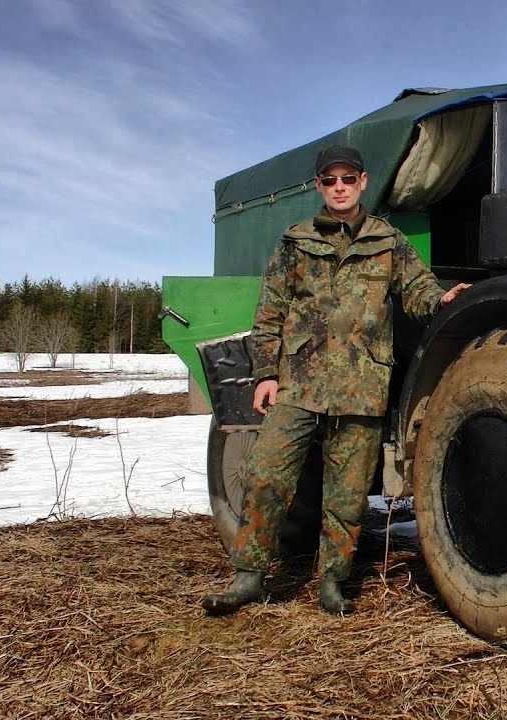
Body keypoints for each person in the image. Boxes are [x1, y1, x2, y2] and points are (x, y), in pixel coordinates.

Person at [203, 144, 471, 616]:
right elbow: (269, 313)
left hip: (362, 387)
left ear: (363, 182)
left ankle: (333, 583)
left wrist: (443, 299)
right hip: (298, 384)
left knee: (346, 495)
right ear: (319, 186)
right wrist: (266, 374)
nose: (340, 187)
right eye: (330, 180)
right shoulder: (296, 241)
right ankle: (248, 577)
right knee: (265, 475)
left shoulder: (387, 241)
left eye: (348, 178)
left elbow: (417, 289)